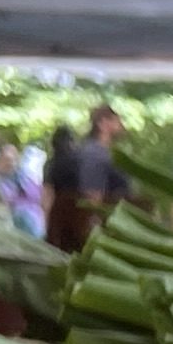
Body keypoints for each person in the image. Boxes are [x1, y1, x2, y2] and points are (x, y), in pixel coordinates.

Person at [43, 103, 133, 251]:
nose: (121, 126)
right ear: (103, 123)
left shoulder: (102, 153)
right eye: (116, 121)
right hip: (103, 231)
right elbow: (92, 195)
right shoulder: (95, 154)